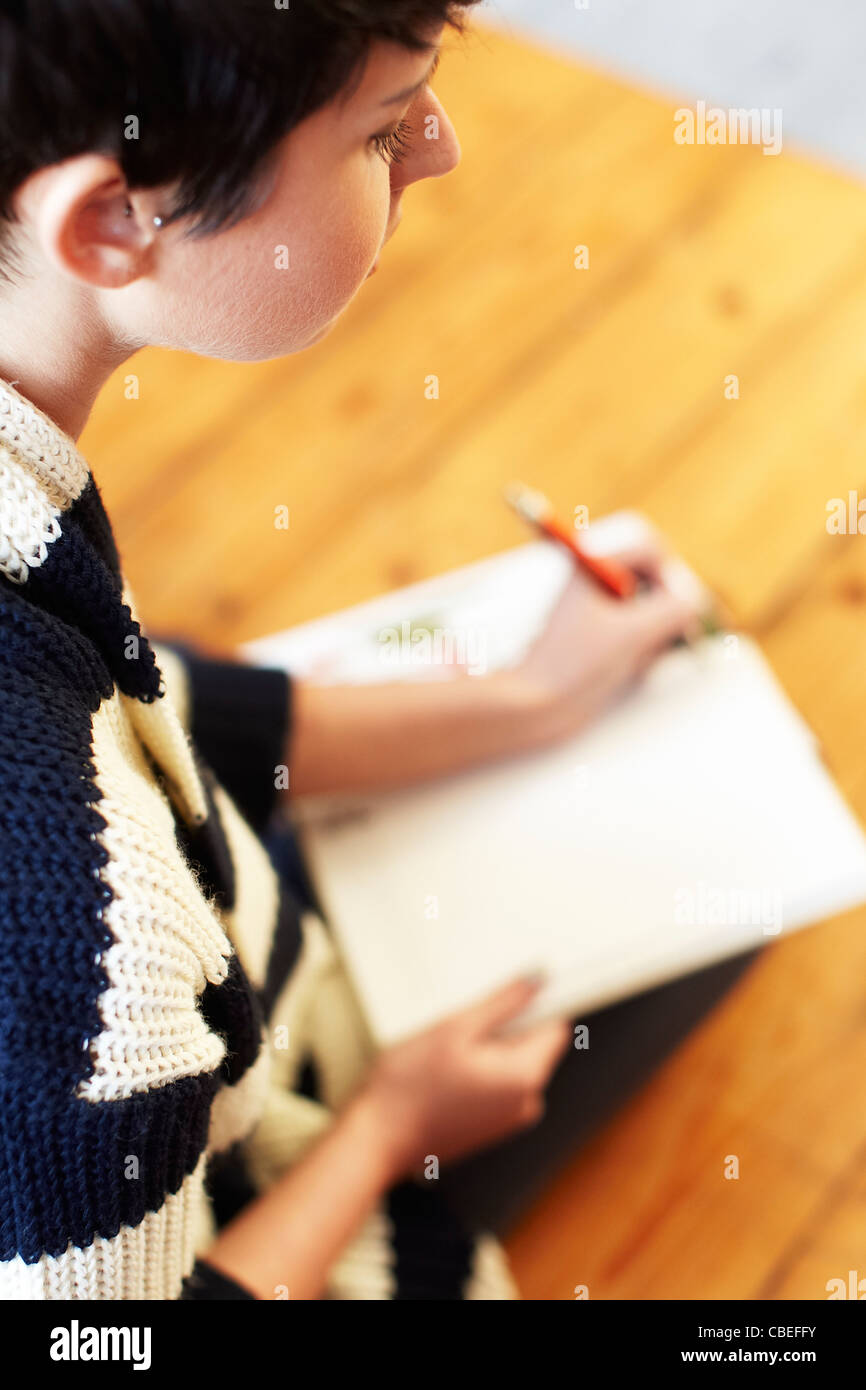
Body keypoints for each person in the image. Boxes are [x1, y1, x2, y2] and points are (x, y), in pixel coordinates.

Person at [0, 0, 755, 1301]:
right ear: (112, 219)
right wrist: (384, 1132)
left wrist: (527, 697)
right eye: (383, 126)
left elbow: (146, 688)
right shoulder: (90, 972)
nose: (440, 149)